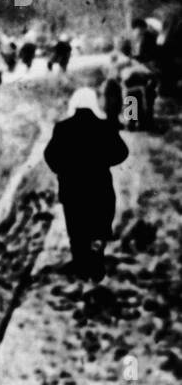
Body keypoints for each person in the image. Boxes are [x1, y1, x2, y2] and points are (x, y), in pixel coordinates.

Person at [42, 88, 129, 281]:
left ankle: (81, 267)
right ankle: (96, 266)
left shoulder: (63, 127)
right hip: (99, 188)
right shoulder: (105, 127)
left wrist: (63, 170)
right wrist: (103, 161)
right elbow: (121, 152)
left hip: (72, 189)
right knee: (98, 227)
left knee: (77, 229)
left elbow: (50, 155)